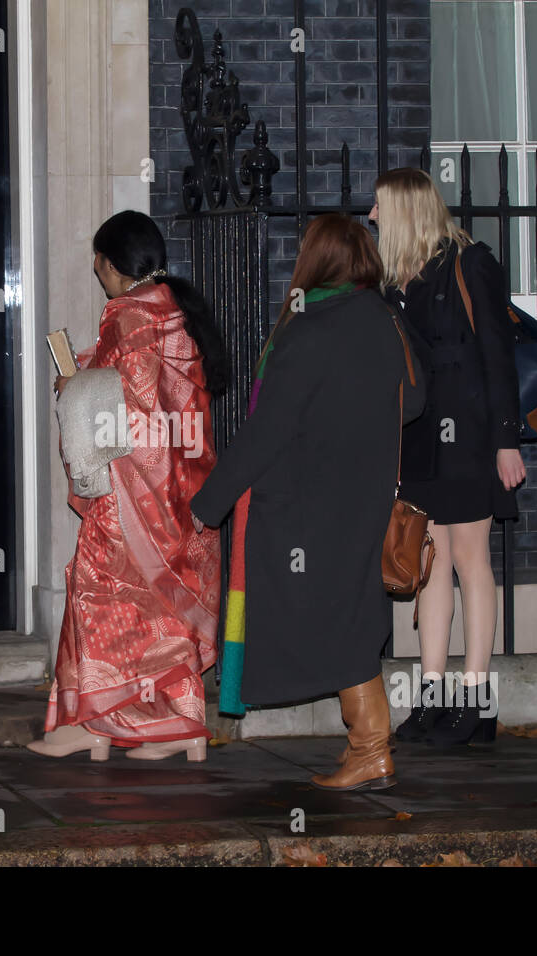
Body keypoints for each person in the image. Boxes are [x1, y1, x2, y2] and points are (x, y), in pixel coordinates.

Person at [190, 213, 425, 791]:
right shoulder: (387, 320)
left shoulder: (308, 328)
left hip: (309, 504)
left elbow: (267, 431)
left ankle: (370, 748)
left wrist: (207, 504)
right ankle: (370, 747)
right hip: (363, 494)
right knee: (350, 614)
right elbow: (415, 400)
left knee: (328, 615)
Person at [27, 210, 227, 762]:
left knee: (98, 592)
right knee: (160, 602)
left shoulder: (130, 314)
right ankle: (174, 725)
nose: (94, 269)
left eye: (97, 260)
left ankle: (96, 722)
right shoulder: (171, 310)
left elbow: (132, 397)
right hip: (176, 484)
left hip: (131, 487)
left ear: (111, 265)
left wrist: (73, 382)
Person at [369, 168, 526, 747]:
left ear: (405, 209)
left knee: (469, 557)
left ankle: (477, 700)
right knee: (426, 558)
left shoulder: (468, 263)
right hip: (421, 437)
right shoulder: (393, 281)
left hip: (474, 435)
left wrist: (507, 440)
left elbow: (497, 354)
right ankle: (432, 696)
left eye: (380, 206)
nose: (372, 216)